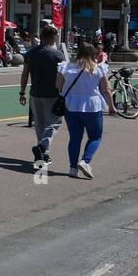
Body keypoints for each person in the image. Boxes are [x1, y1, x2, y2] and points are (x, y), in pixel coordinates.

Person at [55, 42, 115, 179]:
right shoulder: (98, 69)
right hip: (92, 106)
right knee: (95, 137)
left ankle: (72, 168)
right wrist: (111, 107)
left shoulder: (65, 67)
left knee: (75, 138)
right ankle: (85, 161)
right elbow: (106, 90)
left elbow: (58, 85)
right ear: (93, 54)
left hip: (71, 105)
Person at [20, 25, 66, 165]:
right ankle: (42, 148)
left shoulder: (31, 53)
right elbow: (63, 77)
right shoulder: (57, 55)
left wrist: (22, 92)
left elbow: (25, 74)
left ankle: (43, 154)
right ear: (52, 37)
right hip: (52, 94)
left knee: (39, 125)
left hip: (35, 93)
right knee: (54, 122)